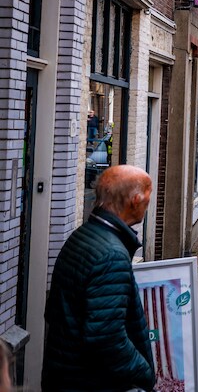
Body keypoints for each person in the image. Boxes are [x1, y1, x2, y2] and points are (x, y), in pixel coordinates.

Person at [43, 164, 155, 392]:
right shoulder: (111, 255)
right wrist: (145, 373)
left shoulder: (82, 236)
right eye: (148, 194)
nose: (149, 202)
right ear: (135, 200)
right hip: (92, 383)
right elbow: (107, 339)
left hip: (66, 376)